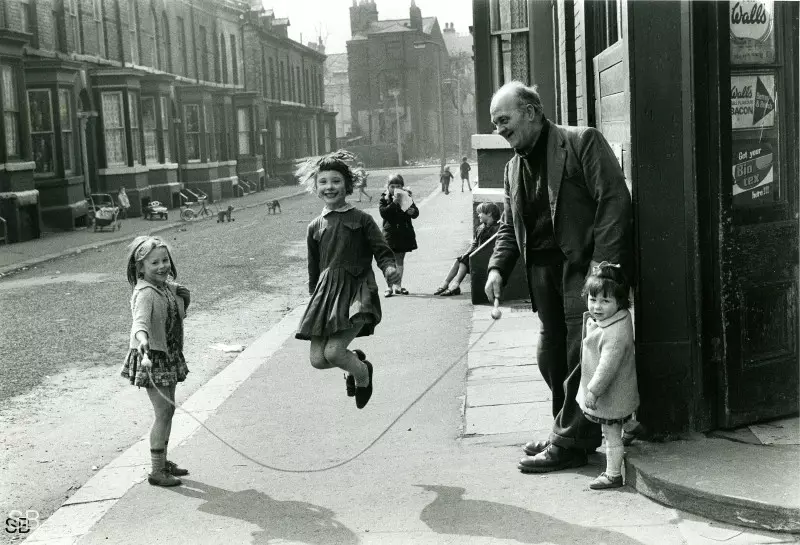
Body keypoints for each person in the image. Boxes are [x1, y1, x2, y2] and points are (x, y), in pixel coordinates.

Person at [484, 81, 634, 473]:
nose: (499, 129)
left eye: (504, 119)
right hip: (542, 274)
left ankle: (568, 441)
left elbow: (614, 200)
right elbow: (507, 225)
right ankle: (563, 431)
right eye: (495, 122)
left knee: (576, 357)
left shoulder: (581, 142)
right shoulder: (513, 166)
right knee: (550, 357)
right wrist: (497, 267)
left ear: (530, 112)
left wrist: (601, 269)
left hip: (581, 272)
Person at [294, 151, 400, 409]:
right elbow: (314, 267)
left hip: (357, 292)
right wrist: (314, 299)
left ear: (348, 184)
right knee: (318, 360)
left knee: (334, 352)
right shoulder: (315, 226)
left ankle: (362, 375)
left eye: (336, 181)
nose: (330, 187)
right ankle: (356, 362)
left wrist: (389, 269)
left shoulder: (362, 219)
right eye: (323, 182)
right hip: (326, 294)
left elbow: (381, 249)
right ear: (315, 186)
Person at [121, 236, 192, 487]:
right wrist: (141, 340)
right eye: (154, 263)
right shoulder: (145, 294)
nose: (162, 266)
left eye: (165, 260)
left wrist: (183, 297)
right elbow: (139, 323)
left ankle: (163, 462)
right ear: (140, 267)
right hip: (152, 356)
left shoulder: (164, 287)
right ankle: (156, 471)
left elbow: (175, 313)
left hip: (167, 355)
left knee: (169, 410)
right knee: (163, 412)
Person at [576, 262, 639, 489]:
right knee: (622, 420)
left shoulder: (613, 333)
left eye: (605, 301)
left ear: (620, 302)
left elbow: (607, 367)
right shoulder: (618, 318)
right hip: (620, 390)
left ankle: (613, 474)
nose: (597, 307)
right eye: (593, 300)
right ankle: (631, 427)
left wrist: (593, 391)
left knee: (610, 434)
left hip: (610, 393)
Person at [434, 201, 501, 296]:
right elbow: (474, 244)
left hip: (487, 259)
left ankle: (455, 285)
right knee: (460, 259)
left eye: (480, 213)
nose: (478, 215)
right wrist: (466, 254)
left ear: (489, 214)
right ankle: (446, 284)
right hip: (477, 256)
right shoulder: (481, 228)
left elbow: (490, 247)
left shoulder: (497, 229)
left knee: (464, 260)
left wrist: (469, 255)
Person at [378, 173, 419, 297]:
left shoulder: (406, 197)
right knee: (389, 261)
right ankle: (389, 286)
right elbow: (384, 213)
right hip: (390, 234)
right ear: (388, 186)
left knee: (400, 260)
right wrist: (394, 203)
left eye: (398, 186)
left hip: (403, 233)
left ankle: (398, 286)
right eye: (392, 186)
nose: (395, 188)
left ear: (402, 187)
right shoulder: (384, 198)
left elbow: (415, 212)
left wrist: (413, 212)